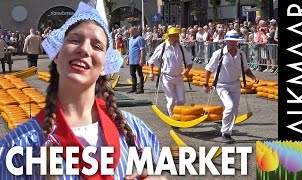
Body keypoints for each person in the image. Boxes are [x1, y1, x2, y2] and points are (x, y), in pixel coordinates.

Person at [0, 2, 164, 180]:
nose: (84, 49)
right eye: (74, 40)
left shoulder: (136, 133)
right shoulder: (18, 148)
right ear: (57, 55)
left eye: (97, 46)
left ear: (104, 66)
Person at [203, 30, 259, 143]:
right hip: (221, 85)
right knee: (230, 106)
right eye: (230, 41)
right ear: (226, 41)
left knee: (234, 109)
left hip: (235, 84)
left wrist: (253, 77)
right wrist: (206, 83)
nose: (232, 43)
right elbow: (209, 69)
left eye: (234, 41)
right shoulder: (219, 54)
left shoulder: (241, 54)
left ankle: (229, 132)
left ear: (237, 42)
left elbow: (246, 68)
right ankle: (225, 132)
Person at [148, 27, 193, 117]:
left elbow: (189, 62)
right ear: (169, 37)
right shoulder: (162, 47)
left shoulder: (181, 48)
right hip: (166, 77)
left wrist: (187, 70)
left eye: (177, 36)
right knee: (171, 99)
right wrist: (151, 73)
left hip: (179, 77)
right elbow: (151, 61)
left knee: (181, 100)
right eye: (175, 36)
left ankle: (175, 111)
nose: (177, 38)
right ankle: (172, 116)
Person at [127, 26, 145, 94]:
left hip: (137, 59)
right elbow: (130, 50)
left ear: (135, 31)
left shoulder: (139, 38)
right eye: (130, 33)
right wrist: (128, 58)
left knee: (140, 74)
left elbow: (142, 49)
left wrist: (141, 59)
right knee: (132, 74)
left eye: (132, 32)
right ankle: (133, 87)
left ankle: (141, 88)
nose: (131, 34)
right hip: (132, 60)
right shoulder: (130, 39)